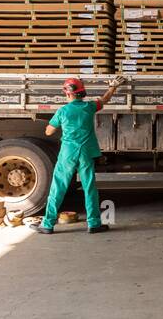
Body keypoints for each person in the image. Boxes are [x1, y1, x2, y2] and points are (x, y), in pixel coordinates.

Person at [30, 75, 125, 234]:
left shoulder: (62, 111)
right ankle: (94, 223)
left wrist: (56, 126)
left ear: (67, 94)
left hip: (68, 152)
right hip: (86, 151)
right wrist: (113, 86)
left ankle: (47, 224)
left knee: (58, 186)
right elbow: (105, 99)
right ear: (82, 93)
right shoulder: (89, 107)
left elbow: (49, 131)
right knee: (89, 187)